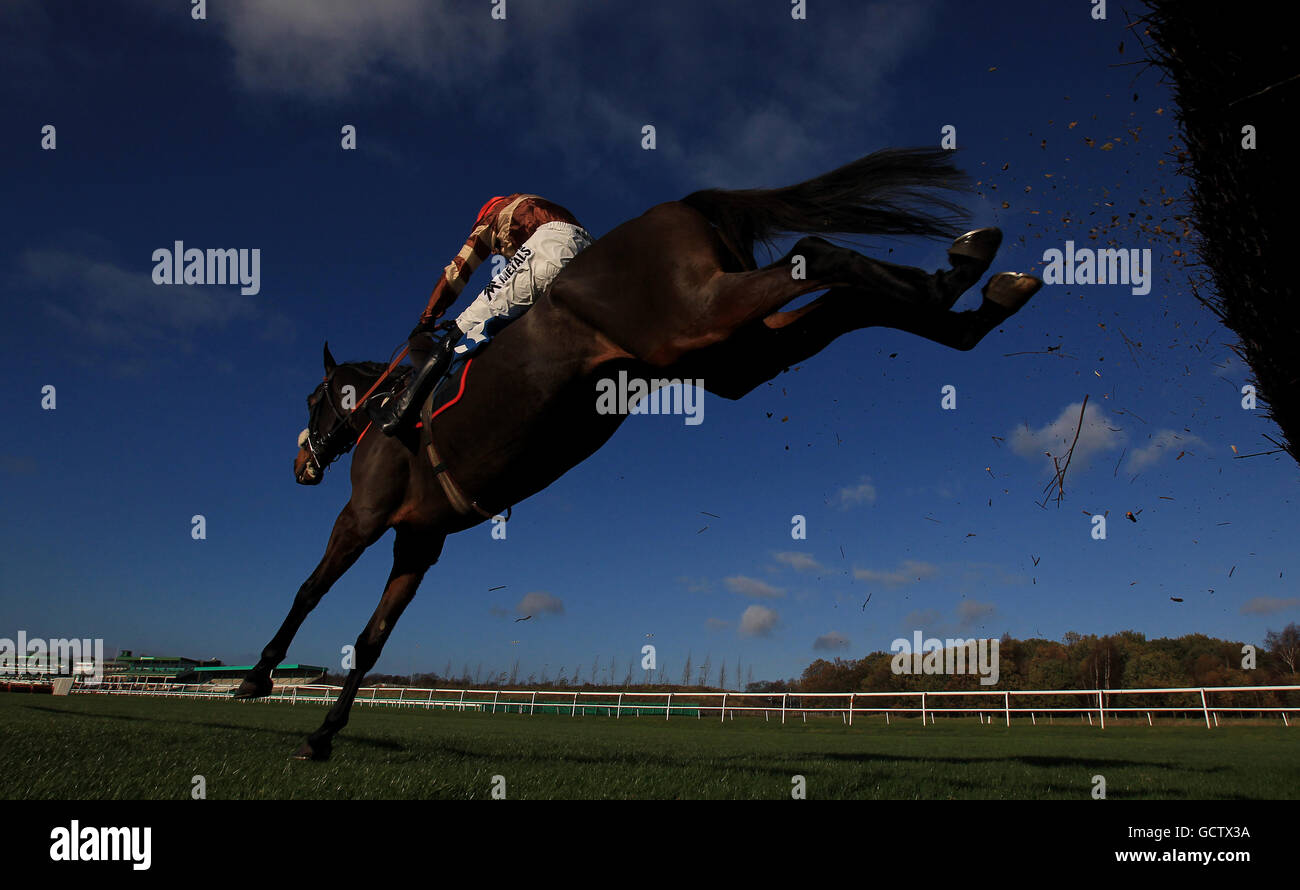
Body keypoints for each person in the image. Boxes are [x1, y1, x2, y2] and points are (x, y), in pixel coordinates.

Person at [368, 194, 592, 435]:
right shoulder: (540, 206)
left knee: (461, 329)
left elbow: (459, 269)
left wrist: (428, 319)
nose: (502, 253)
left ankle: (399, 413)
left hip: (549, 246)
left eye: (498, 248)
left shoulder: (492, 216)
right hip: (588, 250)